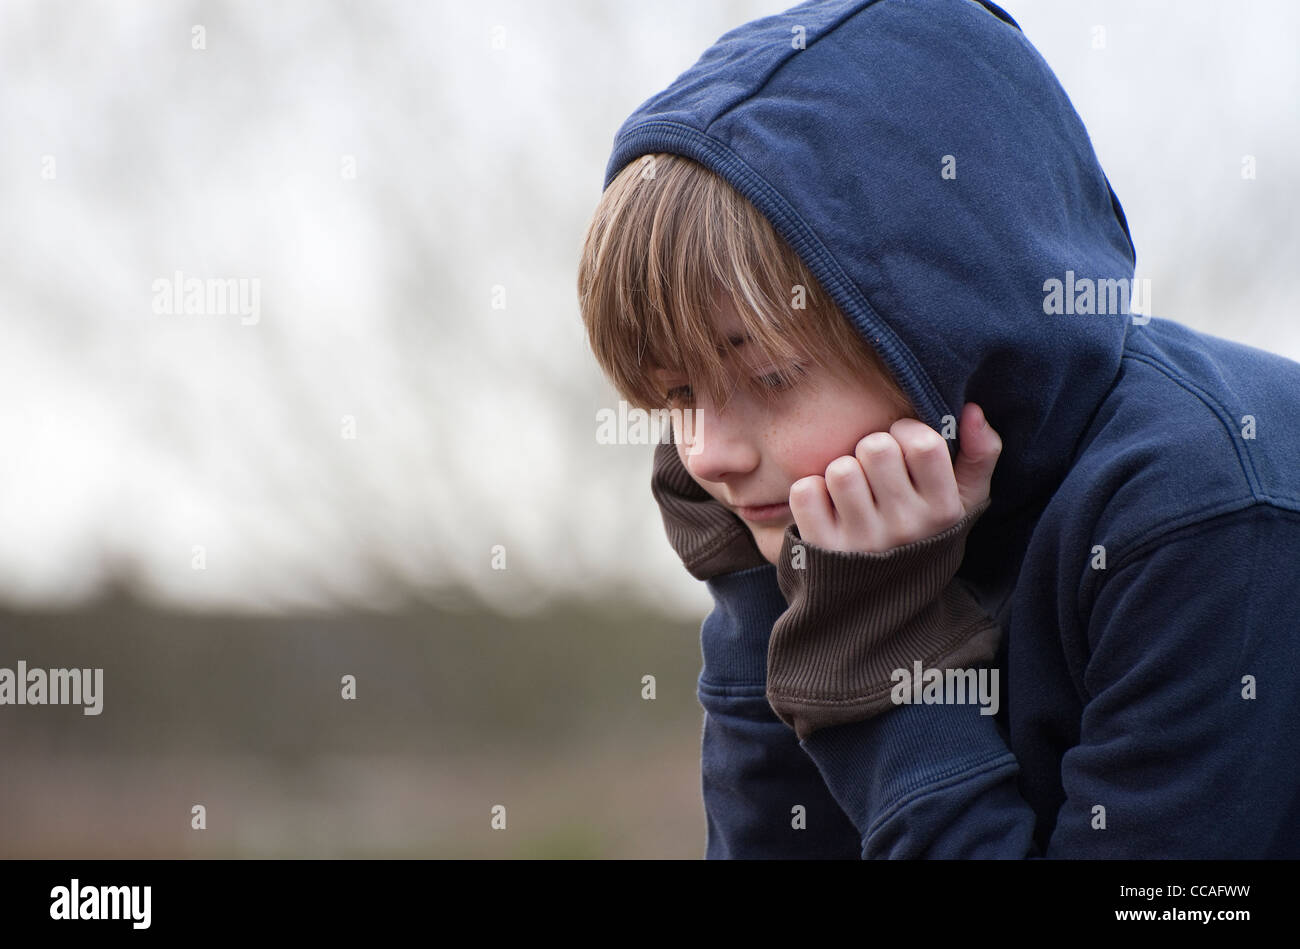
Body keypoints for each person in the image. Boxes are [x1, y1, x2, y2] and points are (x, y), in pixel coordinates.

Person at [576, 0, 1300, 858]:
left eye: (768, 374)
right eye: (679, 393)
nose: (708, 455)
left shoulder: (1204, 513)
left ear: (943, 330)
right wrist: (764, 601)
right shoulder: (810, 517)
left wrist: (882, 659)